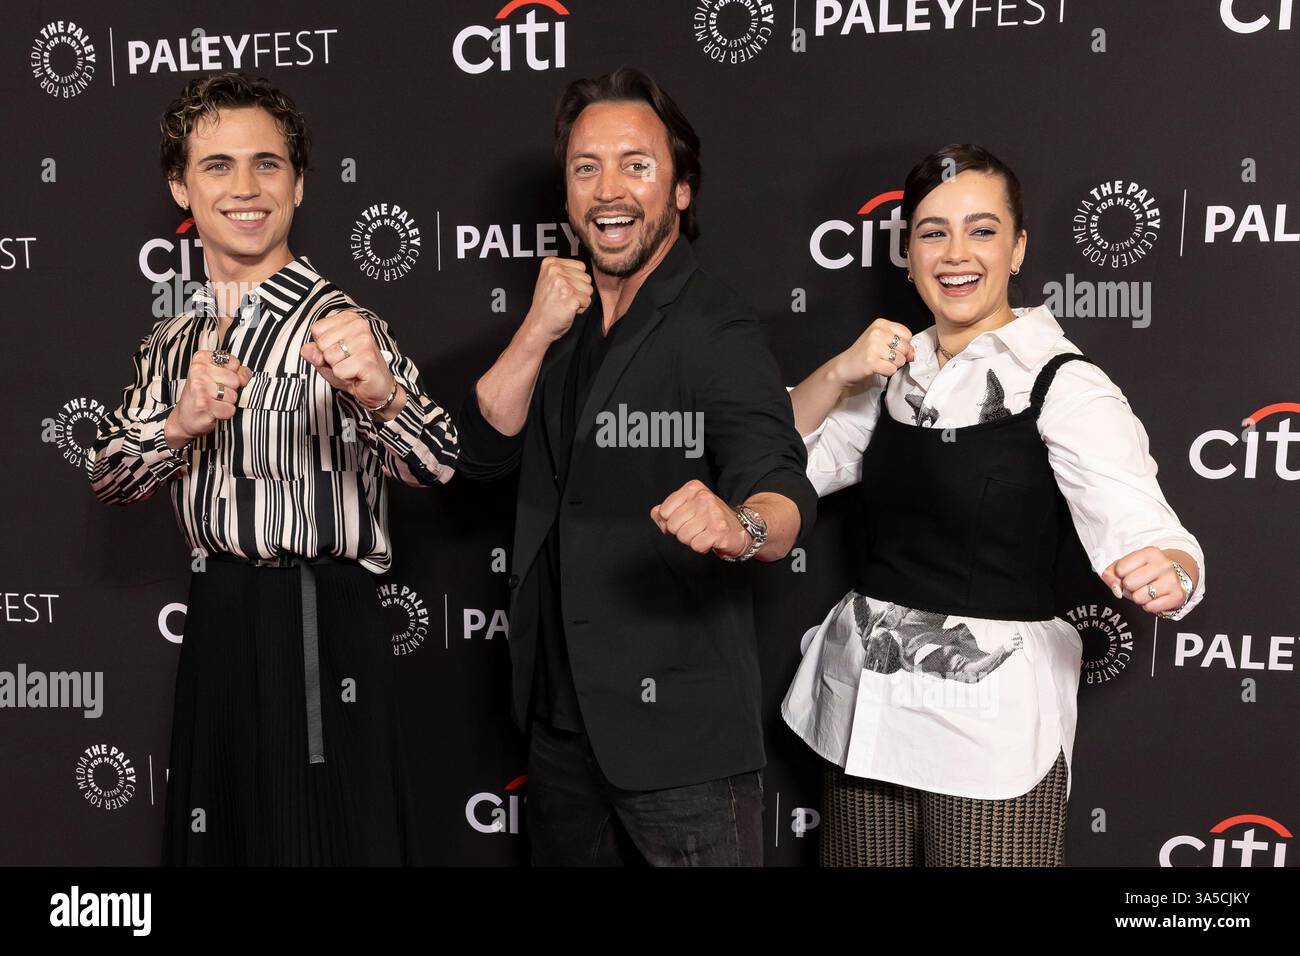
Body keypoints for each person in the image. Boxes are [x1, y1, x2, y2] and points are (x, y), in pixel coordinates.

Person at [781, 144, 1205, 867]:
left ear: (1018, 249)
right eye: (933, 232)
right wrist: (838, 371)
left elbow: (1149, 528)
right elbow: (780, 464)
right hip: (867, 712)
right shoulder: (891, 372)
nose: (956, 253)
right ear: (908, 252)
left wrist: (1171, 569)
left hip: (988, 735)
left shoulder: (1063, 383)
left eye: (982, 230)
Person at [86, 72, 459, 865]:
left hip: (325, 624)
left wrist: (382, 396)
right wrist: (177, 426)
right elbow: (109, 479)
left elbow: (438, 465)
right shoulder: (171, 343)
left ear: (298, 183)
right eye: (217, 165)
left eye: (268, 163)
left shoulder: (345, 325)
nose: (246, 188)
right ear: (181, 186)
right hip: (219, 615)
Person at [455, 67, 816, 866]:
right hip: (559, 730)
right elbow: (479, 458)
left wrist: (742, 525)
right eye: (586, 167)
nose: (609, 189)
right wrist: (536, 330)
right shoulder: (564, 322)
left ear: (681, 190)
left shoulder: (715, 326)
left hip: (680, 744)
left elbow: (780, 480)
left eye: (636, 165)